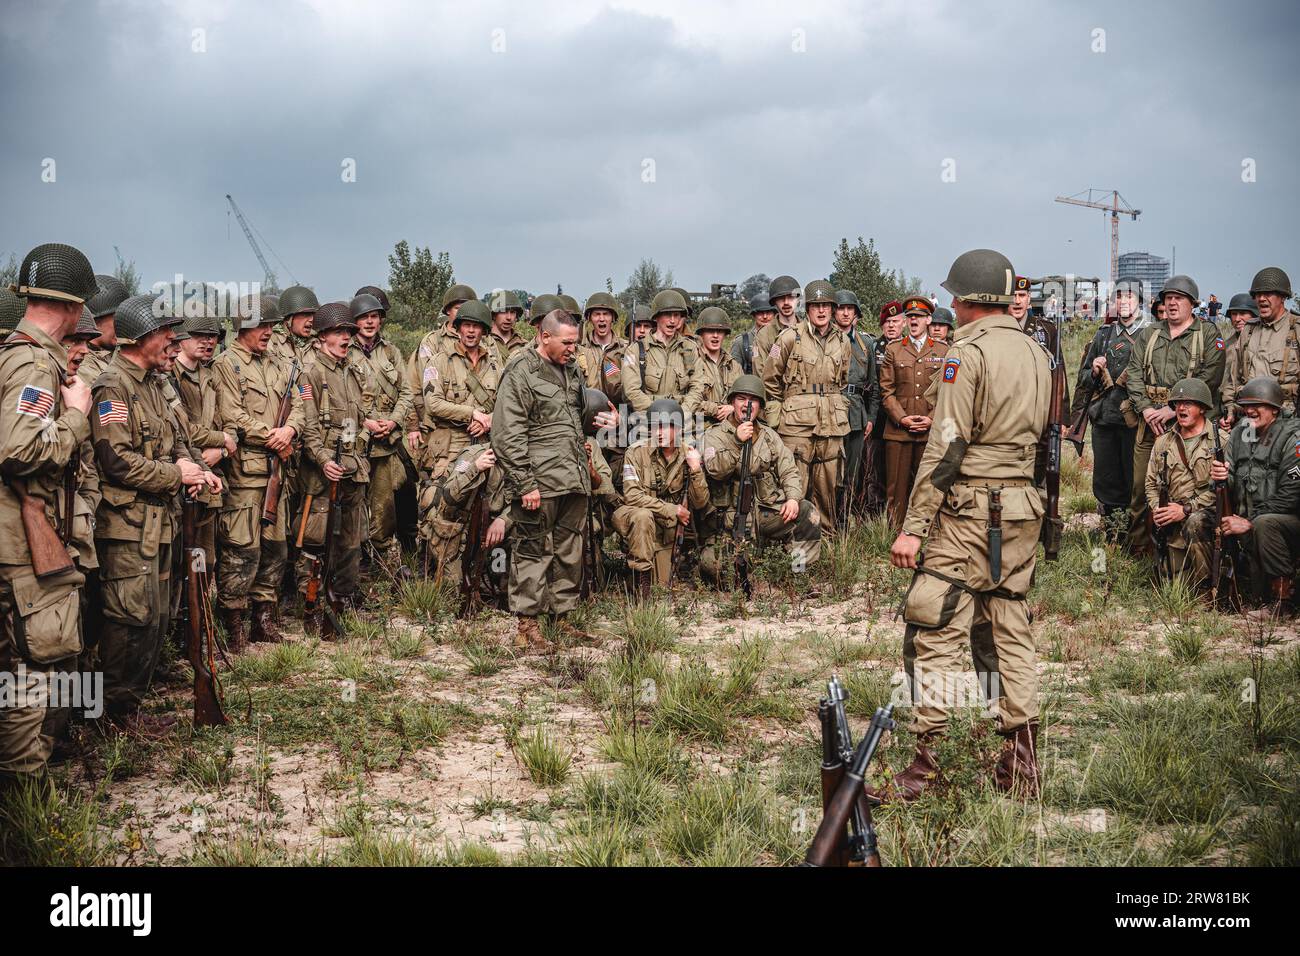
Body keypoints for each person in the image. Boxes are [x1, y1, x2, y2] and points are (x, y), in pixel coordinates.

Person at [873, 248, 1051, 804]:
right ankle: (1021, 762)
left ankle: (930, 766)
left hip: (972, 509)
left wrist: (913, 526)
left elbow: (946, 446)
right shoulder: (1036, 351)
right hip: (1023, 506)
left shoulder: (964, 354)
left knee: (935, 623)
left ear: (969, 300)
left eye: (954, 294)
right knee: (1007, 625)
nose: (950, 302)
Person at [91, 293, 220, 733]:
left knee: (157, 614)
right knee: (129, 619)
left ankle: (133, 701)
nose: (173, 340)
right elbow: (116, 460)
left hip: (158, 522)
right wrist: (175, 474)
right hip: (128, 527)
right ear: (141, 337)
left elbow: (178, 440)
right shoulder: (114, 386)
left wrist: (199, 471)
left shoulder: (153, 384)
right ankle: (114, 714)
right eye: (166, 333)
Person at [0, 244, 98, 791]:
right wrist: (79, 418)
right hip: (22, 546)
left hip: (14, 538)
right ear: (75, 307)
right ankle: (24, 799)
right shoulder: (36, 363)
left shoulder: (10, 353)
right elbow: (18, 450)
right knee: (31, 676)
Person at [491, 310, 592, 647]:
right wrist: (524, 483)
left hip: (572, 476)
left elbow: (574, 420)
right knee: (533, 551)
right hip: (539, 480)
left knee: (569, 550)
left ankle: (561, 619)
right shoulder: (521, 371)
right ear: (544, 337)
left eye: (575, 343)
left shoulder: (573, 370)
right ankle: (527, 629)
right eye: (567, 342)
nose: (572, 349)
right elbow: (507, 432)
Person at [211, 294, 303, 649]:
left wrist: (290, 430)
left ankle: (263, 619)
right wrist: (272, 436)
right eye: (261, 325)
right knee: (241, 549)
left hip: (278, 470)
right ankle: (233, 623)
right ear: (243, 327)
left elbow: (300, 404)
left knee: (275, 547)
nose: (268, 332)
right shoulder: (226, 364)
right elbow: (232, 415)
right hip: (246, 473)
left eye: (271, 326)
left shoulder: (280, 363)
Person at [1125, 275, 1226, 555]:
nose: (1171, 303)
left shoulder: (1207, 334)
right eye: (1168, 298)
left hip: (1189, 422)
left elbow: (1212, 376)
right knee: (1141, 488)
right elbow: (1133, 374)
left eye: (1178, 298)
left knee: (1193, 487)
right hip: (1151, 423)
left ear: (1192, 304)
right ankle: (1141, 549)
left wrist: (1172, 408)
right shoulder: (1150, 333)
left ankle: (1184, 552)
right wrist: (1146, 408)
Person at [294, 302, 374, 632]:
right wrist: (325, 460)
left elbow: (357, 419)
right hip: (322, 472)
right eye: (339, 332)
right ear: (323, 336)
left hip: (353, 468)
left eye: (348, 332)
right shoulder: (309, 373)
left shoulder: (351, 372)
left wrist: (364, 437)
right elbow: (309, 425)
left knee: (350, 542)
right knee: (315, 542)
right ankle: (311, 606)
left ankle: (342, 600)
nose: (345, 338)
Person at [698, 376, 821, 586]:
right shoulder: (714, 435)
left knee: (807, 513)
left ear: (760, 406)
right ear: (732, 402)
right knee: (716, 569)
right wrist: (737, 442)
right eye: (742, 399)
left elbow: (789, 469)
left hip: (765, 511)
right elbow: (715, 470)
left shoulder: (768, 435)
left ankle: (799, 575)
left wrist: (792, 498)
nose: (747, 405)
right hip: (729, 519)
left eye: (753, 400)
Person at [762, 280, 850, 527]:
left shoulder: (842, 341)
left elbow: (841, 380)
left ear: (832, 309)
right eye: (816, 306)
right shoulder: (789, 338)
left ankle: (825, 542)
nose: (821, 311)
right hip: (796, 427)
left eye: (826, 306)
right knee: (794, 487)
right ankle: (793, 543)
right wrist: (777, 420)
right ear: (807, 308)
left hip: (831, 424)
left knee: (828, 486)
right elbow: (770, 380)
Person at [1211, 376, 1300, 613]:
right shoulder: (1244, 432)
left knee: (1265, 524)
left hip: (1286, 523)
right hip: (1248, 518)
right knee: (1202, 519)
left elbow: (1290, 497)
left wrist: (1248, 522)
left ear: (1273, 408)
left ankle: (1283, 602)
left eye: (1256, 406)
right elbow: (1232, 472)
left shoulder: (1293, 438)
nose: (1249, 411)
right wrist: (1221, 475)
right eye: (1245, 406)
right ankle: (1210, 590)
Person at [1075, 278, 1151, 540]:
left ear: (1139, 301)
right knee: (1106, 481)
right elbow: (1083, 379)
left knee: (1136, 481)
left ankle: (1137, 537)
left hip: (1136, 422)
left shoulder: (1150, 335)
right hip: (1105, 420)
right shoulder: (1103, 335)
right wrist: (1094, 369)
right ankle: (1112, 533)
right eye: (1119, 297)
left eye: (1129, 296)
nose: (1124, 302)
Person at [613, 398, 710, 597]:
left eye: (665, 427)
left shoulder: (688, 455)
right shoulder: (636, 452)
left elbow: (700, 502)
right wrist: (672, 510)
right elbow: (632, 496)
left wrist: (696, 469)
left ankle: (640, 579)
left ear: (678, 429)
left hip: (665, 529)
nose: (658, 432)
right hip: (637, 519)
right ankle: (642, 589)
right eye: (654, 427)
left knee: (663, 588)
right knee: (642, 516)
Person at [348, 293, 414, 571]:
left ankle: (381, 566)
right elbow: (342, 397)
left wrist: (394, 421)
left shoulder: (391, 352)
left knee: (384, 507)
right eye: (364, 317)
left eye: (374, 317)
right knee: (353, 504)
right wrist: (365, 422)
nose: (369, 322)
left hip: (385, 443)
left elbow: (407, 392)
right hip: (357, 442)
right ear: (355, 321)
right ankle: (355, 562)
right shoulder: (345, 350)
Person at [171, 309, 234, 575]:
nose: (208, 341)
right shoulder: (168, 376)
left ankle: (204, 613)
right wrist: (223, 439)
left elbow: (231, 420)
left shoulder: (212, 375)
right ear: (181, 338)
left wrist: (221, 450)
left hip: (211, 476)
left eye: (212, 336)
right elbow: (184, 430)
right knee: (179, 558)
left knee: (206, 559)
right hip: (181, 474)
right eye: (199, 335)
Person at [1145, 379, 1222, 584]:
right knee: (1170, 585)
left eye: (1188, 403)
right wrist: (1158, 510)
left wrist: (1187, 509)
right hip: (1171, 519)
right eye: (1177, 404)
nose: (1181, 408)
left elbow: (1221, 489)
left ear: (1203, 408)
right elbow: (1151, 483)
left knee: (1194, 522)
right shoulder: (1163, 442)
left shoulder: (1220, 441)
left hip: (1205, 516)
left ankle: (1207, 590)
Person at [879, 296, 946, 530]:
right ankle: (895, 534)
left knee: (928, 486)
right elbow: (886, 391)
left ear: (929, 319)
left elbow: (947, 393)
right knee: (895, 488)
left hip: (930, 431)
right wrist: (902, 418)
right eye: (910, 317)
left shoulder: (943, 350)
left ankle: (926, 533)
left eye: (918, 317)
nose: (913, 320)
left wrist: (931, 418)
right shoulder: (893, 350)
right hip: (899, 431)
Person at [1222, 268, 1299, 417]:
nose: (1261, 298)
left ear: (1283, 297)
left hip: (1287, 417)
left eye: (1268, 293)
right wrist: (1230, 409)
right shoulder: (1249, 330)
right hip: (1248, 414)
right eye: (1257, 295)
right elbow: (1233, 380)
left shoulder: (1296, 329)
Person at [621, 289, 704, 417]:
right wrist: (660, 414)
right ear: (656, 317)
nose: (672, 320)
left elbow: (697, 387)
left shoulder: (689, 348)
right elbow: (631, 391)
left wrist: (682, 413)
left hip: (682, 419)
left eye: (676, 315)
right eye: (667, 315)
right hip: (648, 420)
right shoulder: (635, 350)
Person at [834, 290, 879, 523]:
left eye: (849, 309)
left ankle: (846, 517)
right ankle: (829, 519)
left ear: (856, 314)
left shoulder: (866, 343)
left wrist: (870, 417)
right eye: (840, 308)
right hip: (831, 413)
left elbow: (874, 385)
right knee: (831, 471)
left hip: (856, 413)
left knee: (853, 472)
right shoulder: (826, 340)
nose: (844, 313)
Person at [863, 301, 904, 517]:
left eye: (895, 322)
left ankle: (897, 516)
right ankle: (874, 517)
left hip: (902, 419)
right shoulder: (873, 348)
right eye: (887, 322)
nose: (891, 326)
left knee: (899, 472)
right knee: (875, 470)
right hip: (879, 420)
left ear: (903, 324)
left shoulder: (909, 346)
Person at [692, 307, 740, 432]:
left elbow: (744, 397)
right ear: (701, 334)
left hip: (728, 430)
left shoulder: (734, 365)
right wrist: (714, 409)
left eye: (720, 331)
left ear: (725, 334)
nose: (715, 335)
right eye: (710, 331)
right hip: (698, 430)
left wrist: (733, 408)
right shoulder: (690, 363)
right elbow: (683, 399)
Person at [576, 292, 626, 405]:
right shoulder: (580, 349)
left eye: (606, 314)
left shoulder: (626, 349)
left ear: (613, 317)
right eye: (597, 314)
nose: (601, 319)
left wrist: (622, 420)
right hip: (588, 410)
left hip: (619, 409)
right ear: (589, 318)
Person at [78, 274, 129, 386]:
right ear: (95, 319)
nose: (124, 325)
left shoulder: (115, 355)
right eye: (117, 318)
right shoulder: (81, 365)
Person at [1219, 292, 1259, 416]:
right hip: (1228, 404)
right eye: (1234, 314)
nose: (1237, 319)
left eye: (1242, 313)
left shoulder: (1262, 342)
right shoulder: (1226, 344)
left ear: (1254, 314)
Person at [269, 285, 320, 369]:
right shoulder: (271, 343)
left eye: (313, 314)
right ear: (289, 318)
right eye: (305, 314)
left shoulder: (315, 344)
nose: (311, 319)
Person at [731, 294, 779, 379]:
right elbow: (733, 374)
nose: (765, 316)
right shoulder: (742, 342)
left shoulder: (782, 338)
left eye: (768, 312)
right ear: (753, 315)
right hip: (751, 388)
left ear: (774, 314)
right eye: (760, 313)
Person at [486, 290, 528, 369]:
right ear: (494, 315)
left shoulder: (525, 345)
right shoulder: (482, 343)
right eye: (504, 311)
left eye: (512, 312)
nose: (509, 317)